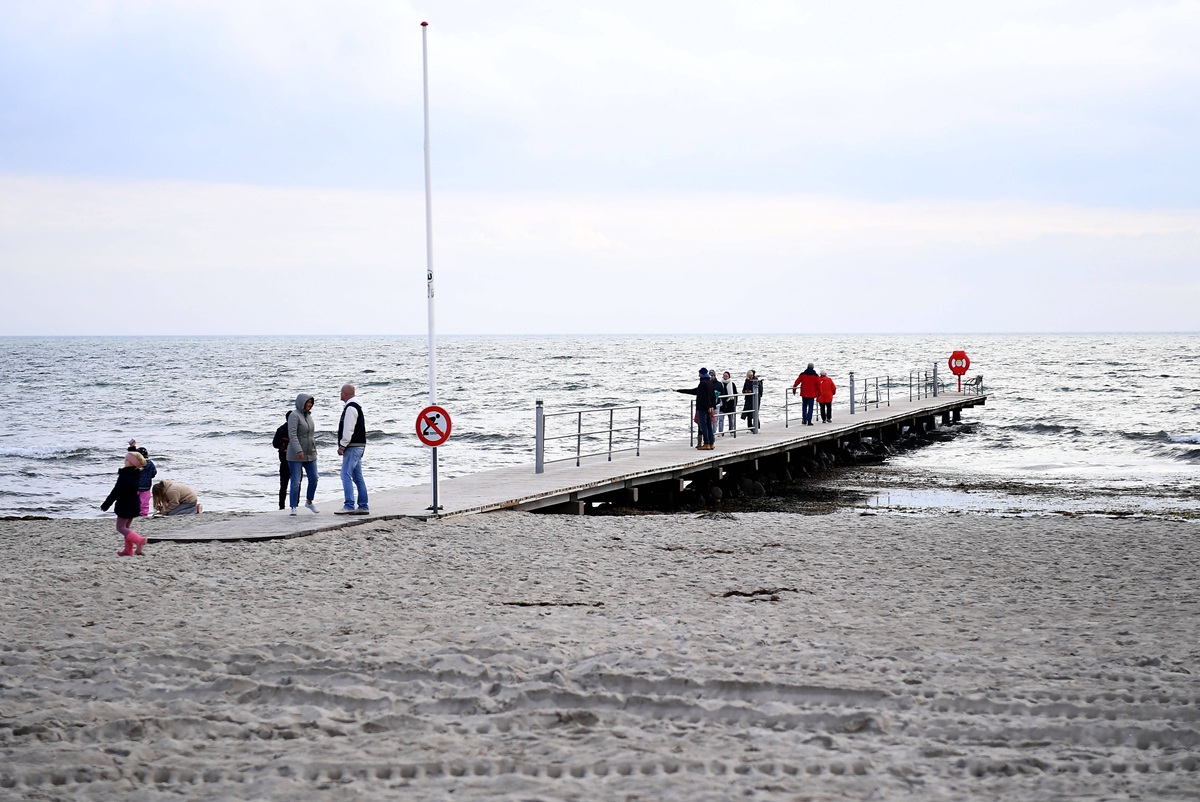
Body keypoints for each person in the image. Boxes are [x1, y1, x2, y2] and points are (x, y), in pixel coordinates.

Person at [101, 450, 148, 556]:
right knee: (126, 528)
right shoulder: (136, 474)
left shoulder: (125, 475)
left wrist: (106, 504)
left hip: (125, 505)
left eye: (127, 459)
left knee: (120, 527)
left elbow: (116, 491)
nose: (125, 461)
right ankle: (128, 549)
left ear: (132, 463)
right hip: (134, 504)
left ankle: (139, 540)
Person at [335, 384, 369, 516]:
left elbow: (348, 429)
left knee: (345, 474)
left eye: (341, 392)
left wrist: (342, 445)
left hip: (353, 446)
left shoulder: (350, 408)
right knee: (357, 477)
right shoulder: (356, 407)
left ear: (345, 394)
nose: (340, 394)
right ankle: (363, 505)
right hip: (359, 446)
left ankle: (349, 505)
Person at [287, 393, 319, 515]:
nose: (310, 405)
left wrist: (314, 449)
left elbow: (311, 435)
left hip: (310, 453)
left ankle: (309, 502)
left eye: (311, 403)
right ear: (302, 402)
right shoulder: (294, 415)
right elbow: (292, 435)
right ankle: (293, 506)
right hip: (296, 455)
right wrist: (298, 450)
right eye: (308, 402)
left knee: (314, 478)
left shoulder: (309, 416)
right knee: (296, 481)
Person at [676, 368, 718, 450]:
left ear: (701, 374)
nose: (698, 375)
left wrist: (707, 407)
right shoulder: (710, 382)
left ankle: (706, 443)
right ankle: (711, 443)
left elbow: (701, 396)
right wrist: (712, 406)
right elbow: (713, 396)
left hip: (703, 408)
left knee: (703, 426)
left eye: (699, 373)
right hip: (709, 407)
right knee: (709, 425)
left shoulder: (703, 383)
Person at [127, 442, 157, 517]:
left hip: (135, 486)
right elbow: (154, 473)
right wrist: (149, 477)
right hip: (146, 487)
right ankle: (144, 514)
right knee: (144, 502)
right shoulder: (150, 464)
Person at [271, 411, 291, 510]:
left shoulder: (280, 429)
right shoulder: (296, 430)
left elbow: (274, 444)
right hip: (295, 461)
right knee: (296, 484)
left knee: (283, 485)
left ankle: (281, 506)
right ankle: (294, 505)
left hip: (283, 460)